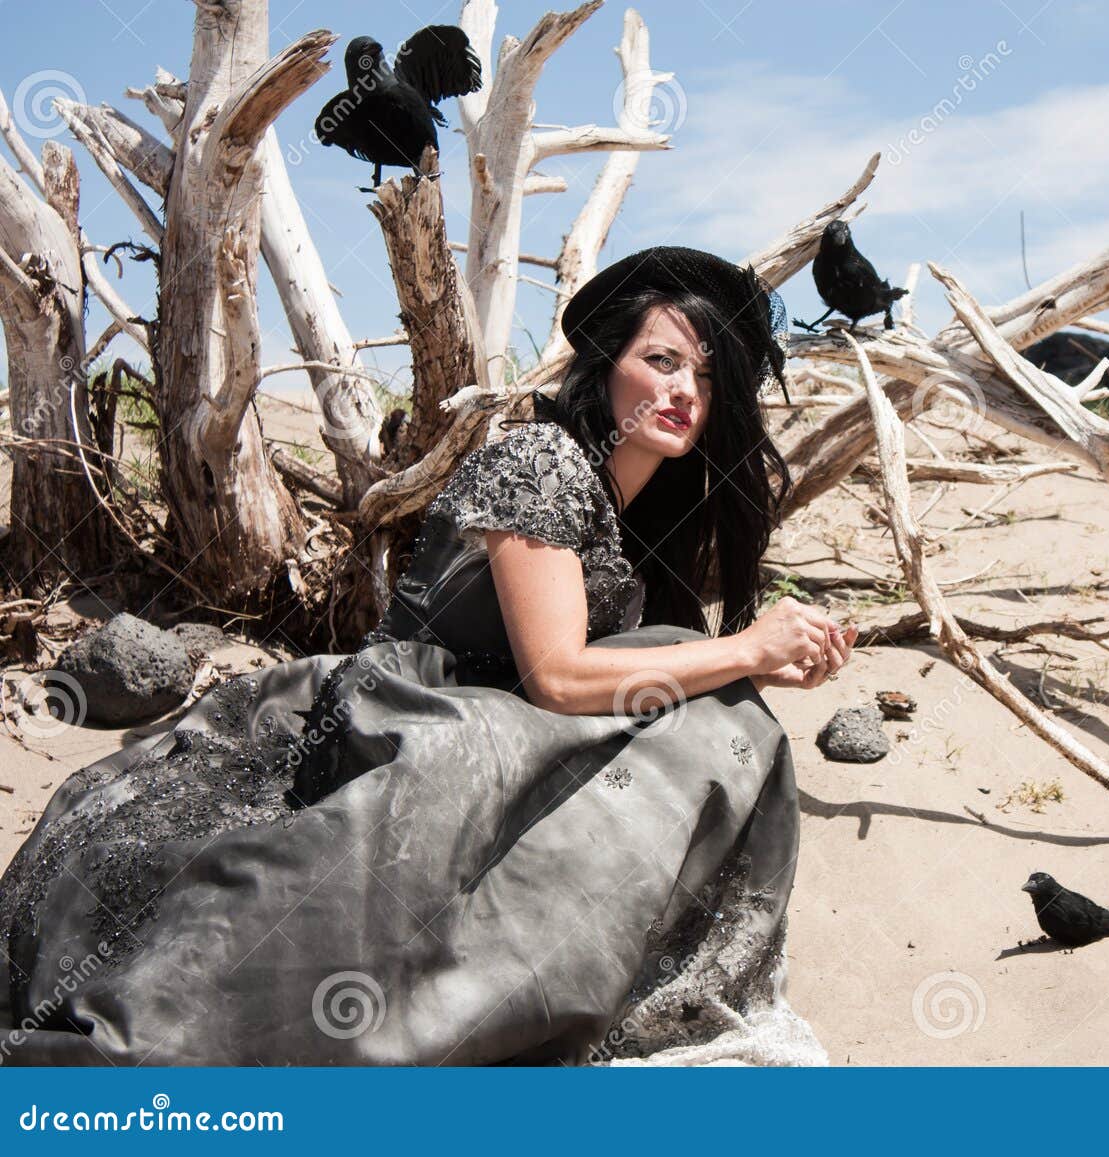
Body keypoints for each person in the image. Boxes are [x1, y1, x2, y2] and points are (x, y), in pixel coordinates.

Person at [0, 246, 857, 1066]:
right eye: (663, 360)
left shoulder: (634, 513)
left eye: (706, 379)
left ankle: (606, 968)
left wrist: (766, 661)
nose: (685, 392)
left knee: (707, 699)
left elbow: (613, 678)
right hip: (400, 717)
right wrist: (744, 645)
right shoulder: (542, 462)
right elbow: (557, 677)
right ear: (604, 363)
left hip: (497, 727)